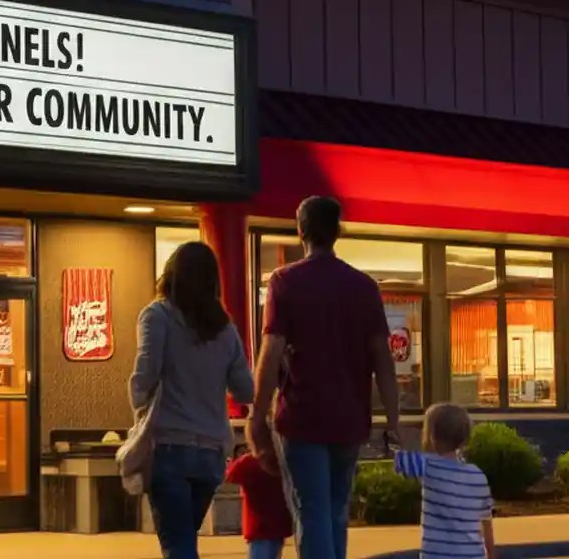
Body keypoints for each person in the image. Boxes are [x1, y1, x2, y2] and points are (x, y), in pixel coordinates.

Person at [248, 196, 401, 559]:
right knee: (334, 512)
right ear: (338, 232)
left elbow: (271, 353)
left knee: (311, 511)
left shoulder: (285, 282)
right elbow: (383, 358)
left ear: (300, 231)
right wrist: (393, 419)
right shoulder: (364, 287)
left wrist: (256, 415)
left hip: (301, 417)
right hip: (350, 419)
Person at [131, 241, 254, 559]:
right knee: (184, 540)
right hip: (211, 454)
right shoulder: (225, 329)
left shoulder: (157, 316)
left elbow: (144, 377)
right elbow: (245, 390)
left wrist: (139, 404)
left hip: (169, 447)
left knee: (178, 546)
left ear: (170, 274)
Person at [394, 404, 496, 559]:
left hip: (436, 554)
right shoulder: (477, 475)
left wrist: (393, 426)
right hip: (472, 554)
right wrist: (491, 554)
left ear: (431, 436)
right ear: (465, 439)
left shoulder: (427, 465)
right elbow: (486, 522)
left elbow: (400, 459)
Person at [226, 441, 293, 559]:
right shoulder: (283, 461)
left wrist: (234, 460)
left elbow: (231, 474)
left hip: (258, 527)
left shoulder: (250, 462)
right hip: (280, 524)